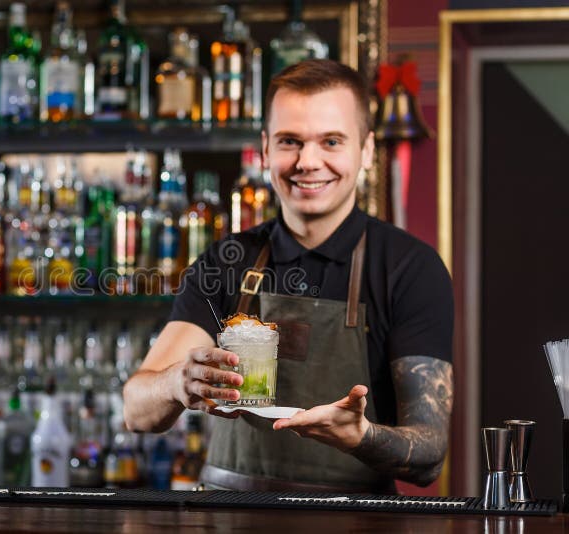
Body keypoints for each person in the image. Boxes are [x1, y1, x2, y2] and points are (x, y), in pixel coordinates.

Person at [123, 59, 454, 493]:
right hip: (226, 521)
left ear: (367, 150)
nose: (308, 161)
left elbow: (429, 454)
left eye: (331, 141)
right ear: (265, 150)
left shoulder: (410, 269)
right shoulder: (225, 261)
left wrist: (362, 436)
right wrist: (175, 382)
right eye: (289, 141)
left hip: (354, 526)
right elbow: (135, 411)